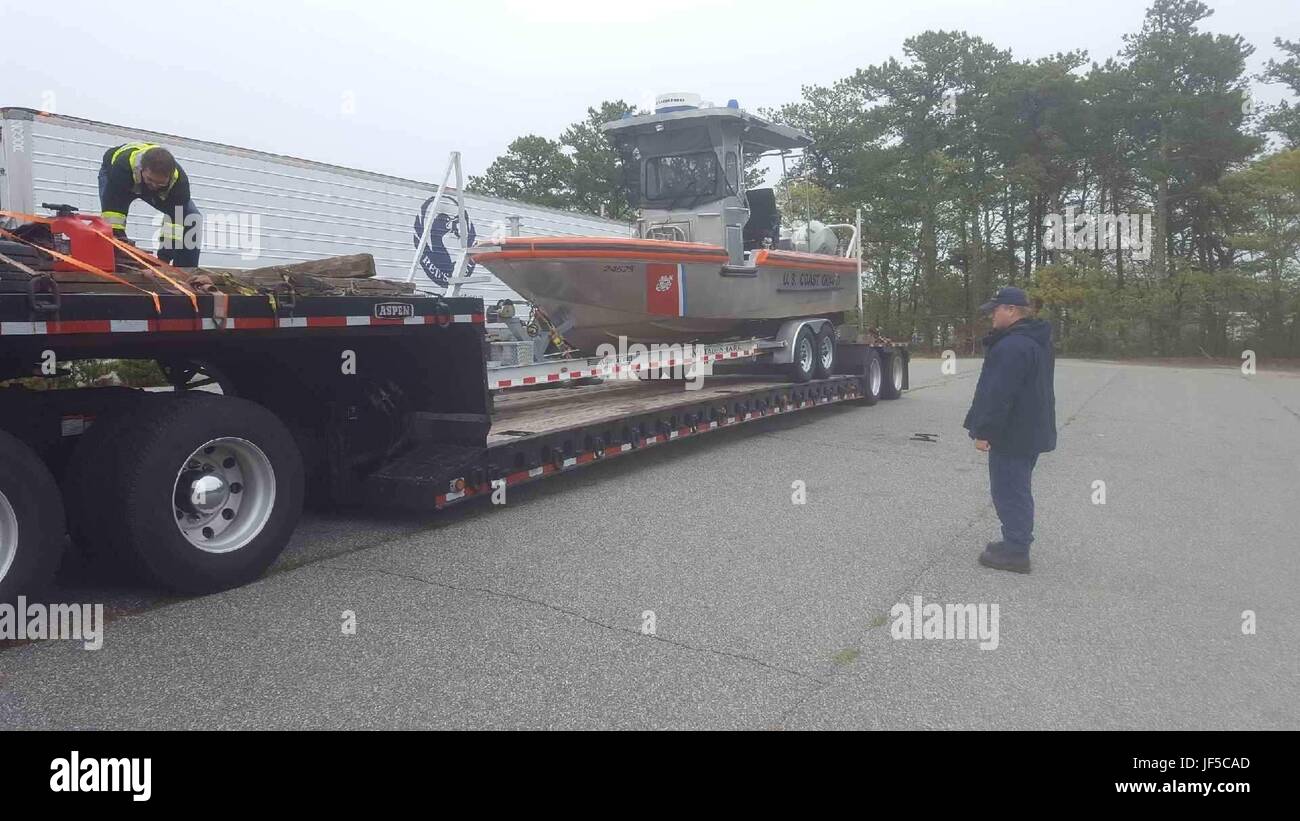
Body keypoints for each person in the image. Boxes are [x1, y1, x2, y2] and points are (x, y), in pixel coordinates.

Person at [962, 286, 1057, 573]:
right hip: (1029, 428)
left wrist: (984, 432)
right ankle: (1014, 542)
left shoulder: (1013, 346)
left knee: (1009, 490)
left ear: (1012, 310)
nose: (991, 315)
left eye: (996, 309)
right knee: (1016, 487)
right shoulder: (1035, 339)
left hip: (1013, 432)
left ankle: (1016, 551)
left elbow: (999, 395)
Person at [98, 142, 201, 267]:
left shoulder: (180, 185)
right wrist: (121, 245)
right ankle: (114, 258)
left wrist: (164, 259)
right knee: (112, 220)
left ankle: (186, 269)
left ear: (170, 178)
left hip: (142, 180)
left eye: (160, 184)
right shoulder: (122, 169)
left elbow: (174, 225)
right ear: (141, 169)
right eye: (150, 180)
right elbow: (113, 213)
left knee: (192, 217)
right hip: (118, 175)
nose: (153, 186)